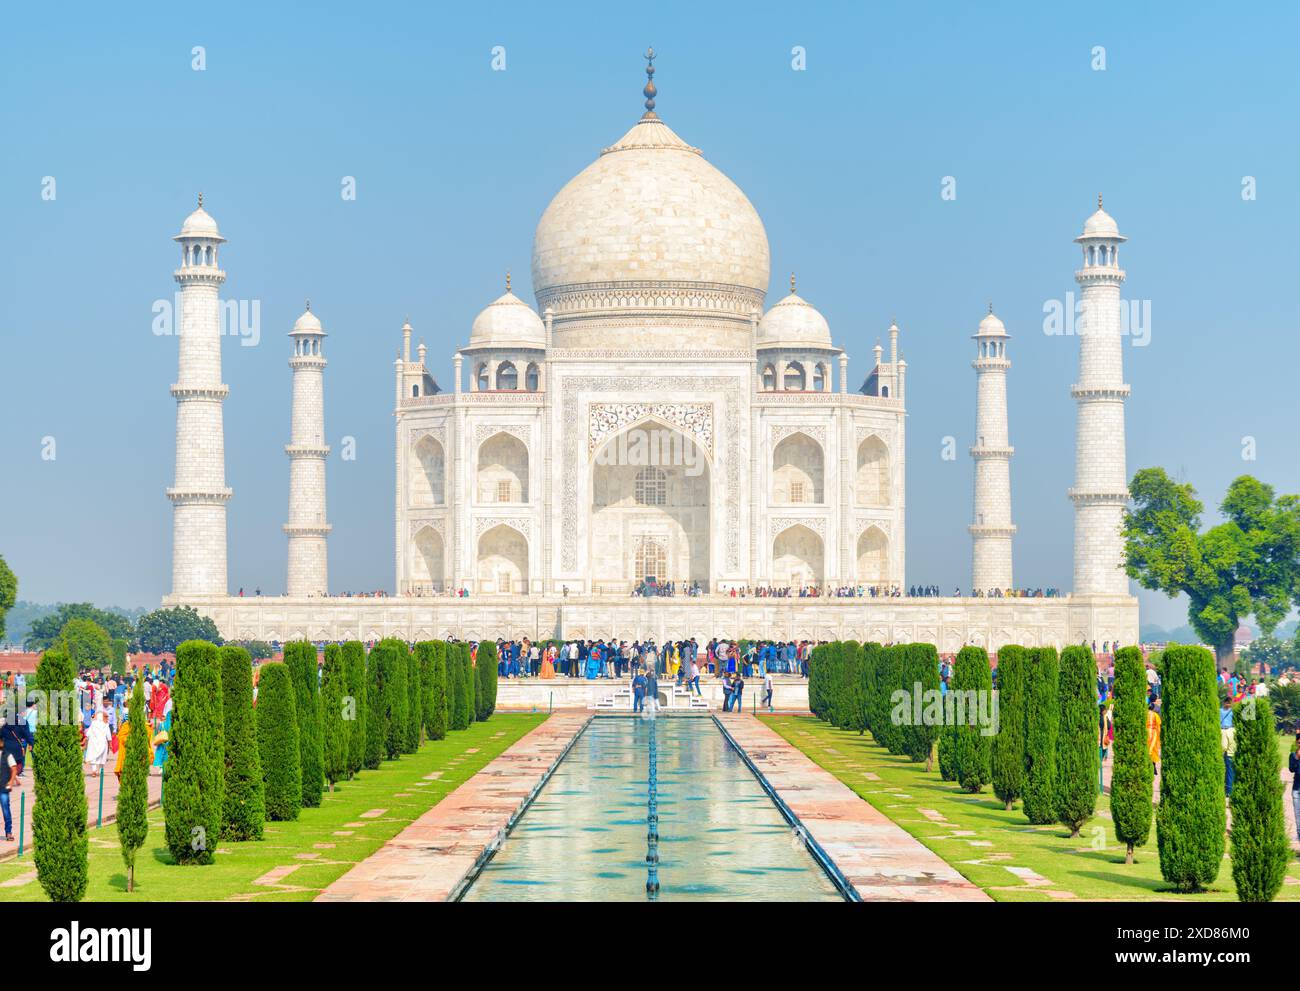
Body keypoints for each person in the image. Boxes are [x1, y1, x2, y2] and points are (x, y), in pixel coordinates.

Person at [83, 709, 112, 778]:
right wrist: (110, 744)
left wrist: (85, 740)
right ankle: (101, 770)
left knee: (93, 757)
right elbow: (108, 735)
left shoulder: (93, 724)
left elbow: (88, 733)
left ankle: (94, 771)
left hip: (93, 743)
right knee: (102, 757)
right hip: (102, 743)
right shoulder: (105, 725)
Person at [1221, 695, 1236, 797]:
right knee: (1222, 756)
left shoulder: (1232, 712)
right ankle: (1226, 789)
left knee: (1230, 760)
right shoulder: (1220, 711)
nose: (1227, 704)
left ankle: (1229, 790)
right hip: (1222, 730)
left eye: (1229, 702)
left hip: (1230, 730)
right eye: (1226, 702)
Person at [1146, 698, 1162, 775]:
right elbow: (1158, 725)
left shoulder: (1145, 714)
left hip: (1146, 733)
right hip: (1154, 734)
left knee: (1147, 749)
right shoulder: (1155, 715)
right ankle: (1153, 767)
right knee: (1153, 750)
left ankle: (1148, 766)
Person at [1289, 737, 1300, 843]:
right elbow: (1292, 769)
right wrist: (1297, 757)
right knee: (1297, 814)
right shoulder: (1293, 755)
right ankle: (1299, 835)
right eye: (1298, 743)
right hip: (1296, 788)